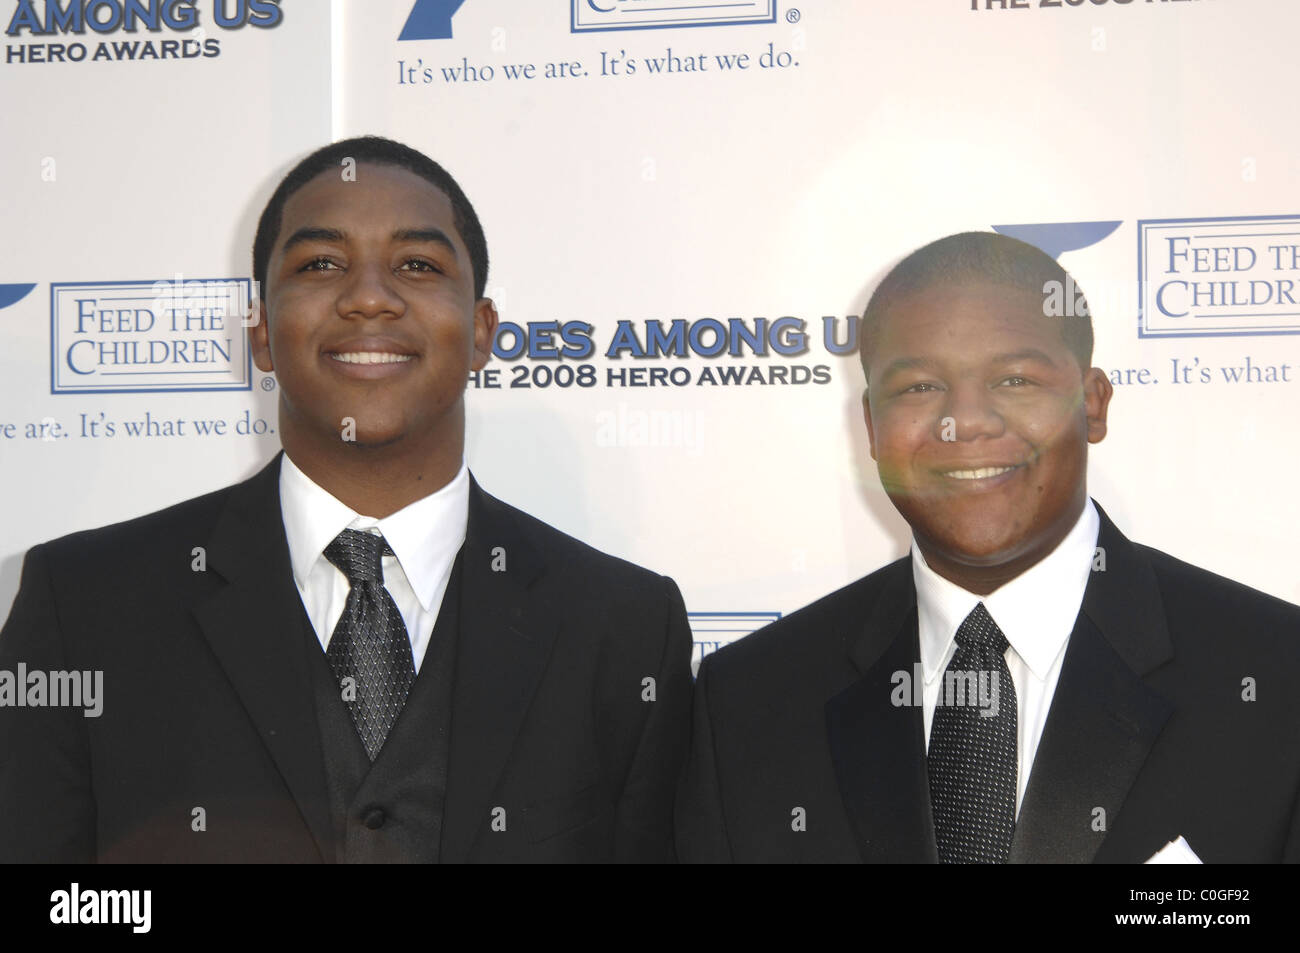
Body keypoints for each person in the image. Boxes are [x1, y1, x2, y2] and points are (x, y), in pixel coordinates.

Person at [0, 135, 692, 863]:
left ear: (483, 332)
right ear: (262, 332)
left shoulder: (625, 627)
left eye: (418, 265)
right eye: (320, 264)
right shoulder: (82, 607)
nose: (368, 297)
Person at [675, 231, 1300, 863]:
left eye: (1014, 379)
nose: (965, 420)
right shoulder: (748, 700)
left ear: (1093, 403)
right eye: (919, 388)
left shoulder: (1276, 675)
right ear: (870, 426)